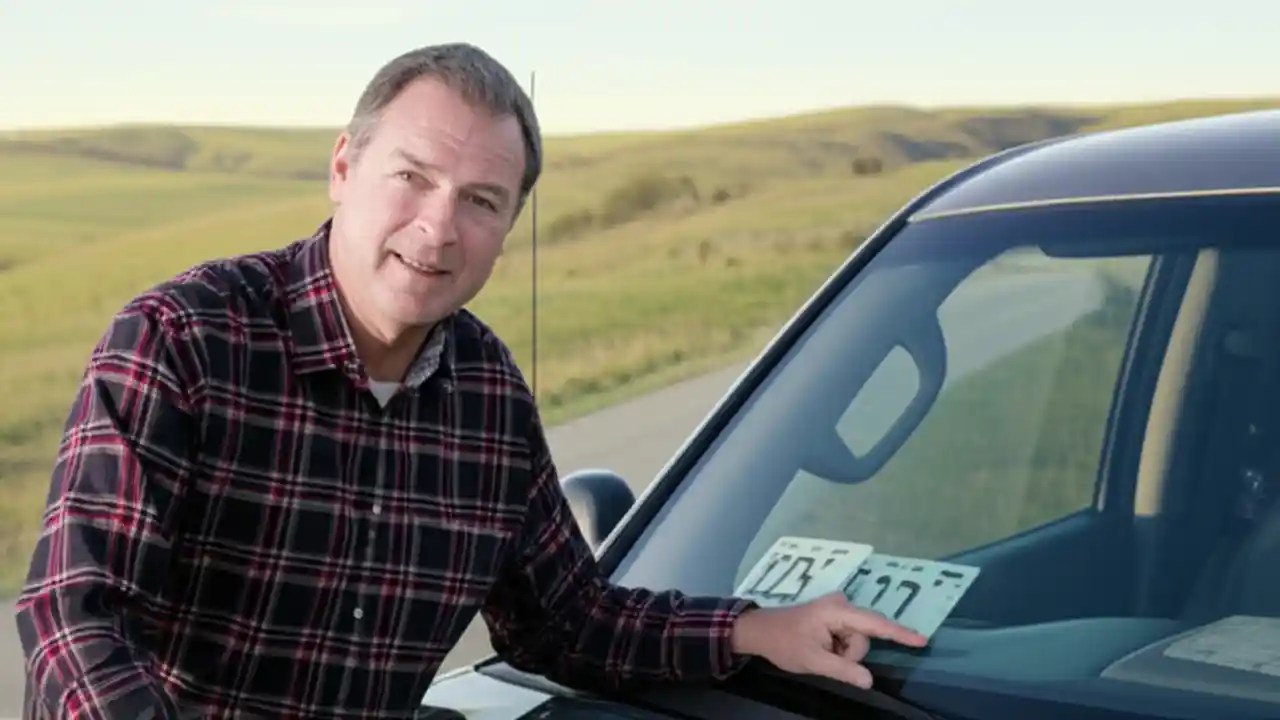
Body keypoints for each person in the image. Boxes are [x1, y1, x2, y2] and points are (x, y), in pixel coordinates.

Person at [13, 43, 926, 719]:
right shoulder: (183, 340)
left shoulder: (487, 397)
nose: (438, 229)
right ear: (343, 167)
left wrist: (753, 631)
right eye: (412, 177)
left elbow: (566, 622)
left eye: (481, 202)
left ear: (509, 221)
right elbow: (77, 615)